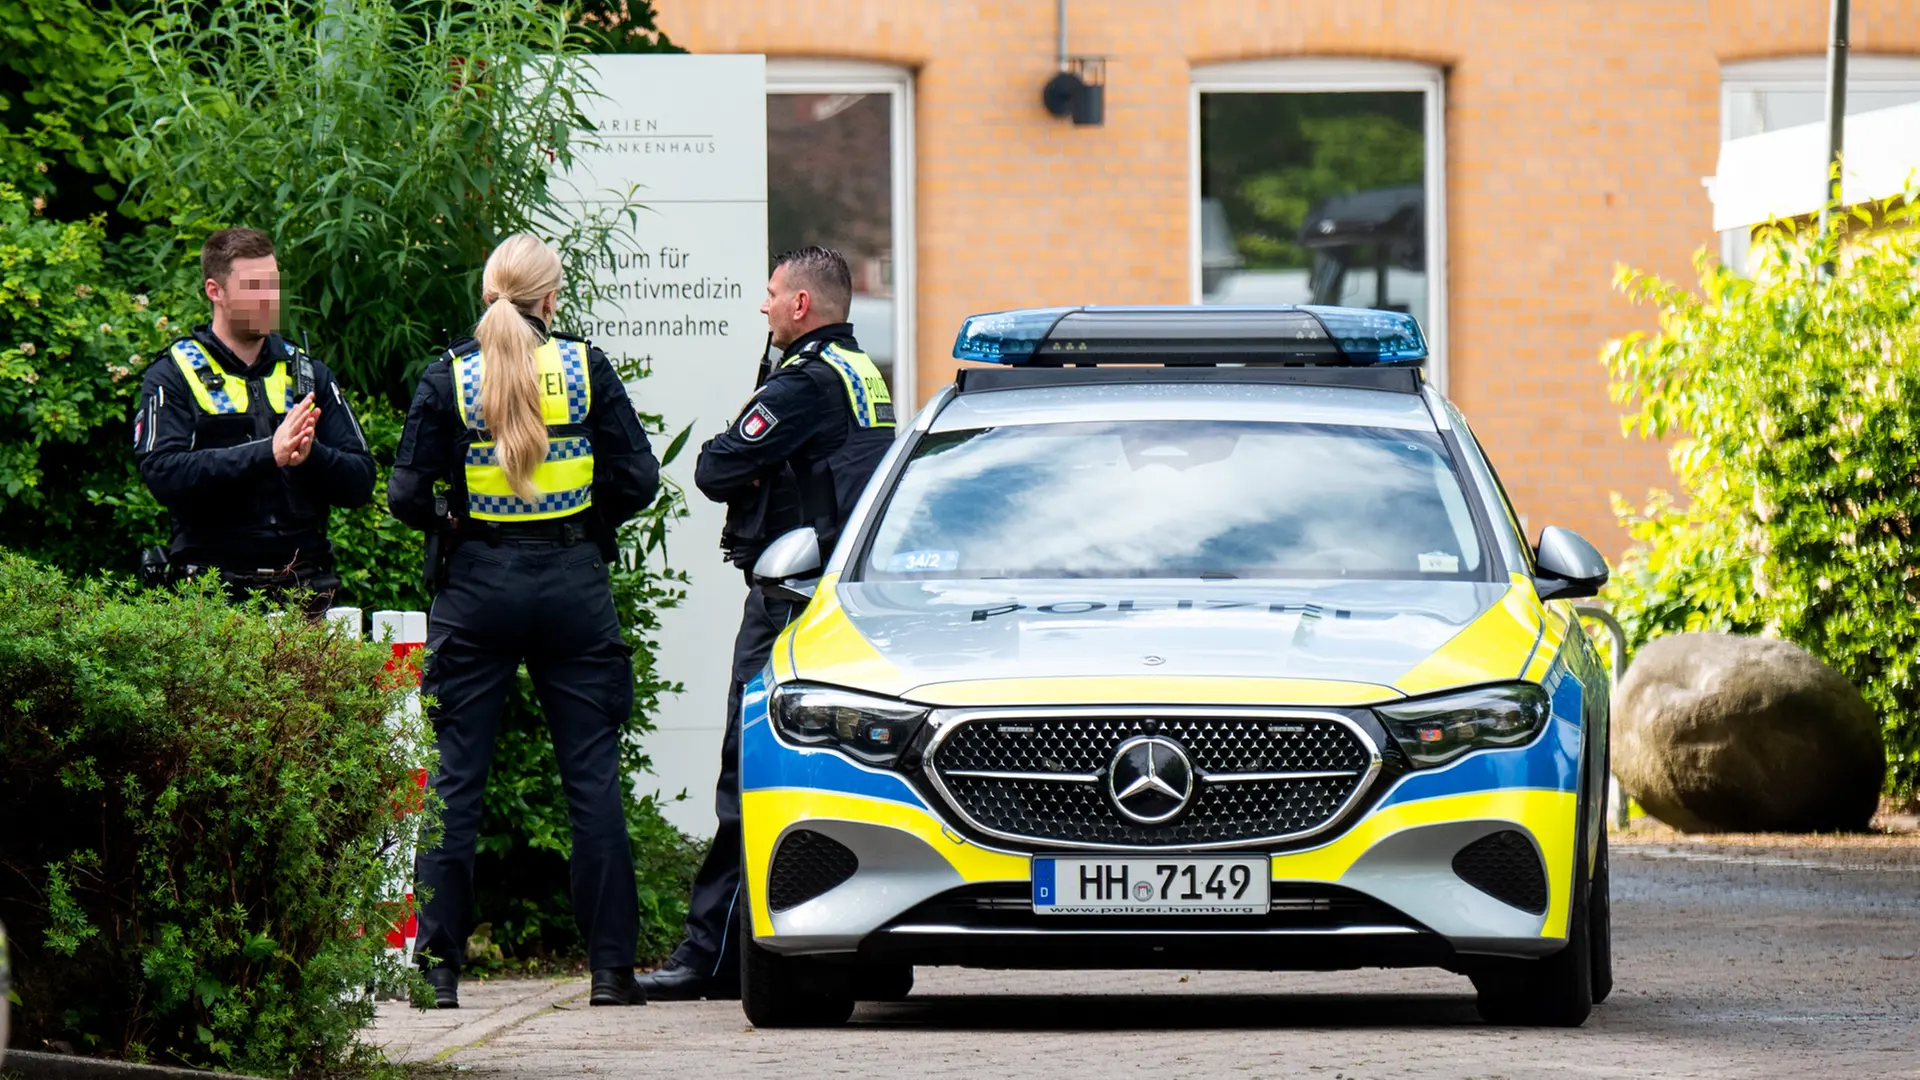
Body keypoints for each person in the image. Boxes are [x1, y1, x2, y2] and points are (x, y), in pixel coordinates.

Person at [387, 234, 661, 1009]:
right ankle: (611, 973)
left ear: (488, 295)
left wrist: (457, 519)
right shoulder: (585, 367)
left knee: (456, 783)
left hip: (476, 589)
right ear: (550, 300)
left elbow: (406, 496)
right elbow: (640, 479)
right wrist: (585, 517)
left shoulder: (448, 375)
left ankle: (438, 974)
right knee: (593, 782)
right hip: (573, 585)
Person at [638, 246, 896, 1000]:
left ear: (801, 307)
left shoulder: (807, 382)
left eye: (773, 294)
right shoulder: (862, 370)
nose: (764, 306)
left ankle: (709, 959)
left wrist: (749, 462)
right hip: (840, 598)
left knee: (744, 770)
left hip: (789, 602)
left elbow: (715, 467)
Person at [133, 226, 375, 618]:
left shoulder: (308, 373)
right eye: (253, 287)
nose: (269, 299)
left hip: (306, 592)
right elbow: (161, 473)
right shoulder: (173, 374)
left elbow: (362, 481)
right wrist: (268, 452)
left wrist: (311, 456)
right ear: (216, 291)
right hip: (211, 597)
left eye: (273, 285)